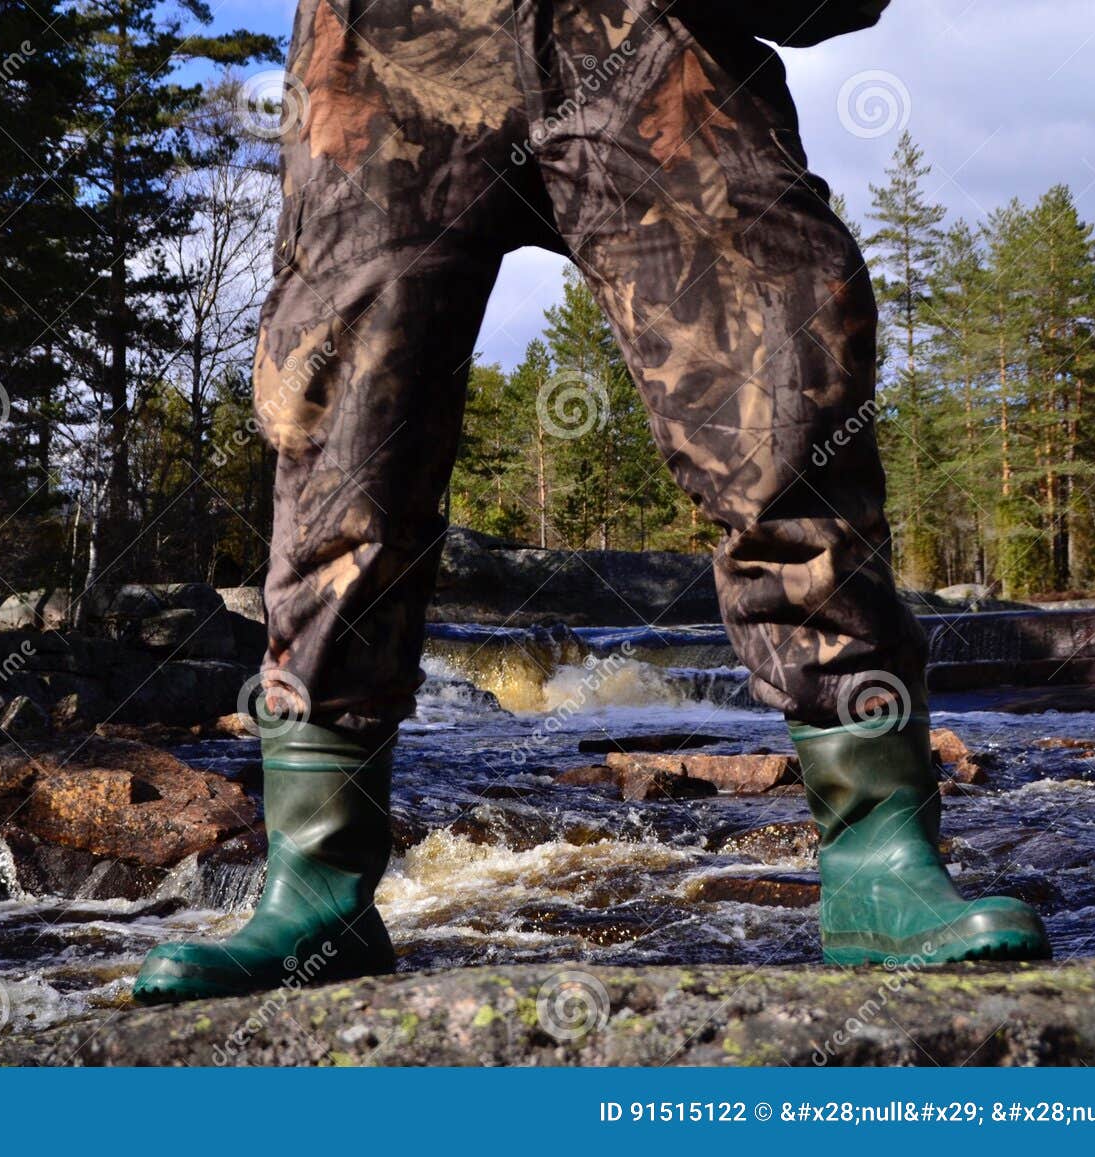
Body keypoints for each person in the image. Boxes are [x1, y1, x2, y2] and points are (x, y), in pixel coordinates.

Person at [133, 0, 1048, 1004]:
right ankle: (313, 882)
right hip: (389, 33)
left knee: (781, 359)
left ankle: (880, 859)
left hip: (651, 24)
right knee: (343, 412)